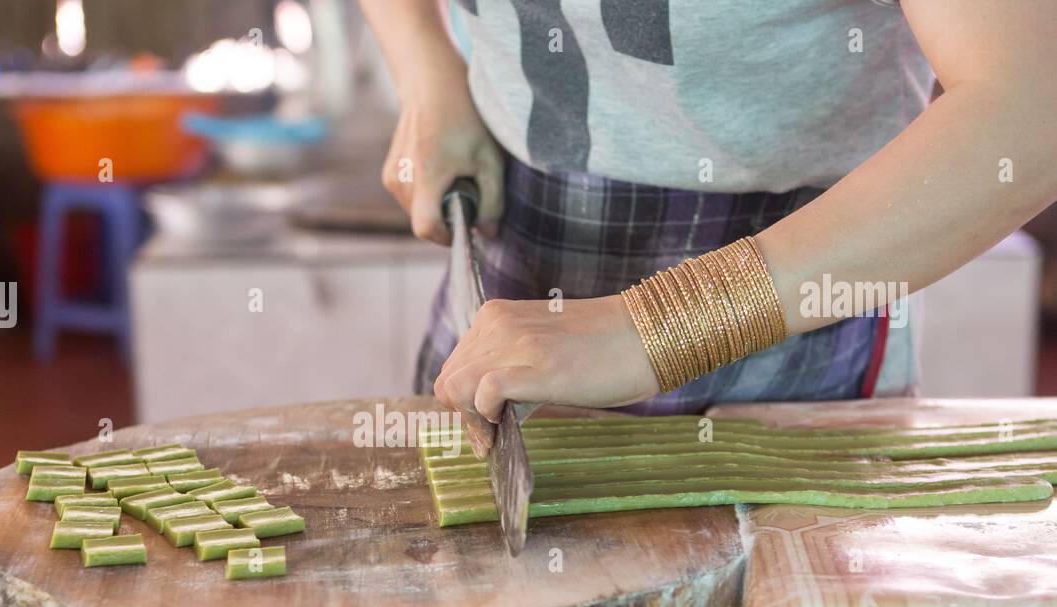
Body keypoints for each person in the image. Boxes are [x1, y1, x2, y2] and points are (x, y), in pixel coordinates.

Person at [359, 0, 1057, 443]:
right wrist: (426, 67)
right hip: (510, 268)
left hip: (797, 331)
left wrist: (663, 325)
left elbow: (1031, 113)